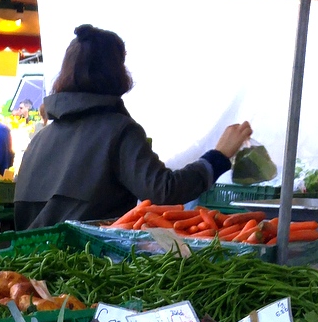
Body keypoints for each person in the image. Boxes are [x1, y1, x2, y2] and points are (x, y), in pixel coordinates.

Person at [15, 25, 252, 229]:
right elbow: (164, 191)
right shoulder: (118, 130)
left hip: (30, 266)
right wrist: (218, 156)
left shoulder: (40, 139)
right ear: (116, 71)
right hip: (87, 265)